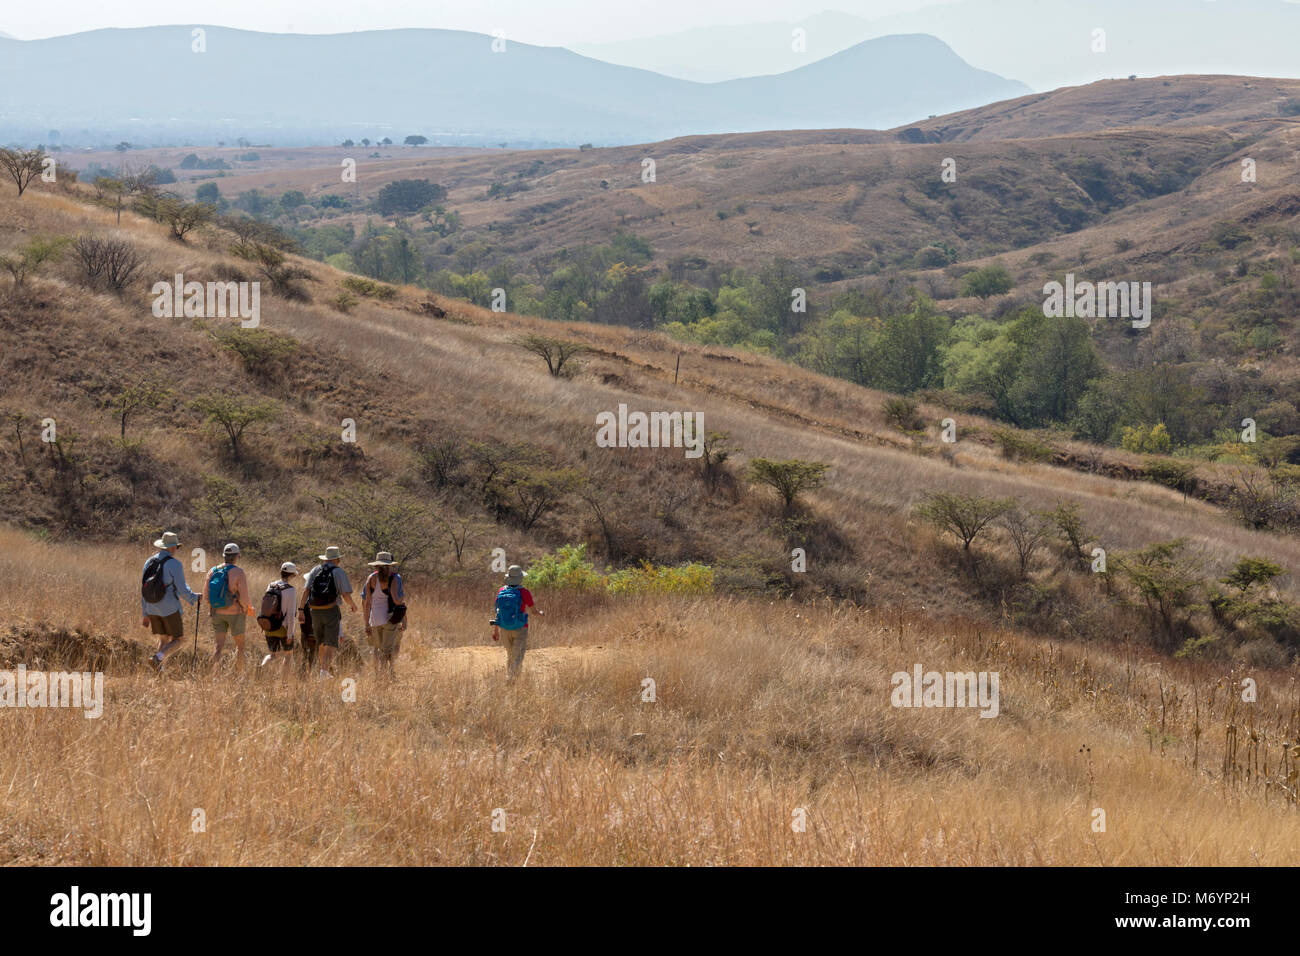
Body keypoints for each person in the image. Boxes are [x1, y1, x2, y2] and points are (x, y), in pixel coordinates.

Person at [141, 531, 201, 673]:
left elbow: (143, 588)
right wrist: (195, 597)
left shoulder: (149, 562)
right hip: (169, 608)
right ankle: (157, 657)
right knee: (179, 639)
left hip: (151, 607)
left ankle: (158, 672)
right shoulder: (175, 564)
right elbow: (182, 589)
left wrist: (145, 613)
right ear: (173, 547)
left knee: (164, 639)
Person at [303, 545, 358, 679]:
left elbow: (306, 591)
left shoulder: (315, 569)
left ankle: (323, 670)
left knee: (321, 642)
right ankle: (324, 673)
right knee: (330, 644)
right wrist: (353, 605)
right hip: (330, 610)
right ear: (337, 559)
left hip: (314, 610)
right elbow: (345, 594)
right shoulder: (338, 572)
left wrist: (300, 609)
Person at [205, 543, 253, 672]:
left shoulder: (212, 571)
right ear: (237, 556)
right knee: (240, 647)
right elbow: (243, 597)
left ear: (224, 556)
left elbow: (206, 595)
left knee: (218, 646)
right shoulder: (239, 572)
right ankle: (239, 674)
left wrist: (212, 607)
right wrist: (245, 608)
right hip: (235, 613)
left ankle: (214, 675)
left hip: (217, 612)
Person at [491, 564, 541, 680]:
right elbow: (533, 611)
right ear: (520, 578)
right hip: (520, 628)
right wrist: (540, 613)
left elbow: (498, 612)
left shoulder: (501, 591)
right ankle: (512, 679)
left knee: (510, 655)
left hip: (504, 628)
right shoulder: (524, 592)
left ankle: (509, 678)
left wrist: (496, 631)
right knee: (518, 656)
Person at [362, 552, 407, 678]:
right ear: (389, 565)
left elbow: (367, 603)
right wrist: (402, 601)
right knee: (388, 649)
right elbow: (396, 599)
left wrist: (366, 623)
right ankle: (387, 675)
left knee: (377, 648)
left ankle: (378, 675)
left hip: (374, 619)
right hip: (389, 618)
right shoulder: (394, 578)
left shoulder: (371, 578)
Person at [257, 562, 299, 680]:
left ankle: (262, 667)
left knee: (272, 655)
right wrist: (290, 634)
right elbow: (291, 615)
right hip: (283, 628)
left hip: (268, 625)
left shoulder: (271, 585)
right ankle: (284, 683)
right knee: (288, 655)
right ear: (291, 575)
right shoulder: (291, 590)